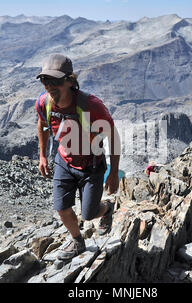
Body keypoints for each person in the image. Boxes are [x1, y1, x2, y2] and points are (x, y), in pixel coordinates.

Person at [35, 54, 121, 261]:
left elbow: (113, 136)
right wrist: (43, 156)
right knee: (62, 208)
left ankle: (107, 208)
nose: (49, 86)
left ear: (70, 81)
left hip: (91, 166)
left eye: (55, 80)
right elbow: (42, 125)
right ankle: (77, 241)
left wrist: (113, 173)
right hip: (64, 162)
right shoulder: (44, 103)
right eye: (45, 80)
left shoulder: (91, 105)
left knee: (89, 214)